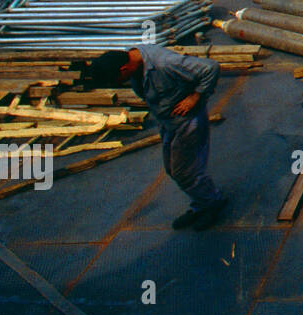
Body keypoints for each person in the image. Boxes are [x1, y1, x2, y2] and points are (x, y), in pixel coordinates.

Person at [89, 46, 227, 230]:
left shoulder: (165, 63)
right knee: (173, 169)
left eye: (121, 79)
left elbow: (210, 68)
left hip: (187, 122)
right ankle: (203, 202)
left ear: (124, 69)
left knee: (185, 172)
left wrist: (195, 97)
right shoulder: (135, 60)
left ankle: (211, 204)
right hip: (167, 120)